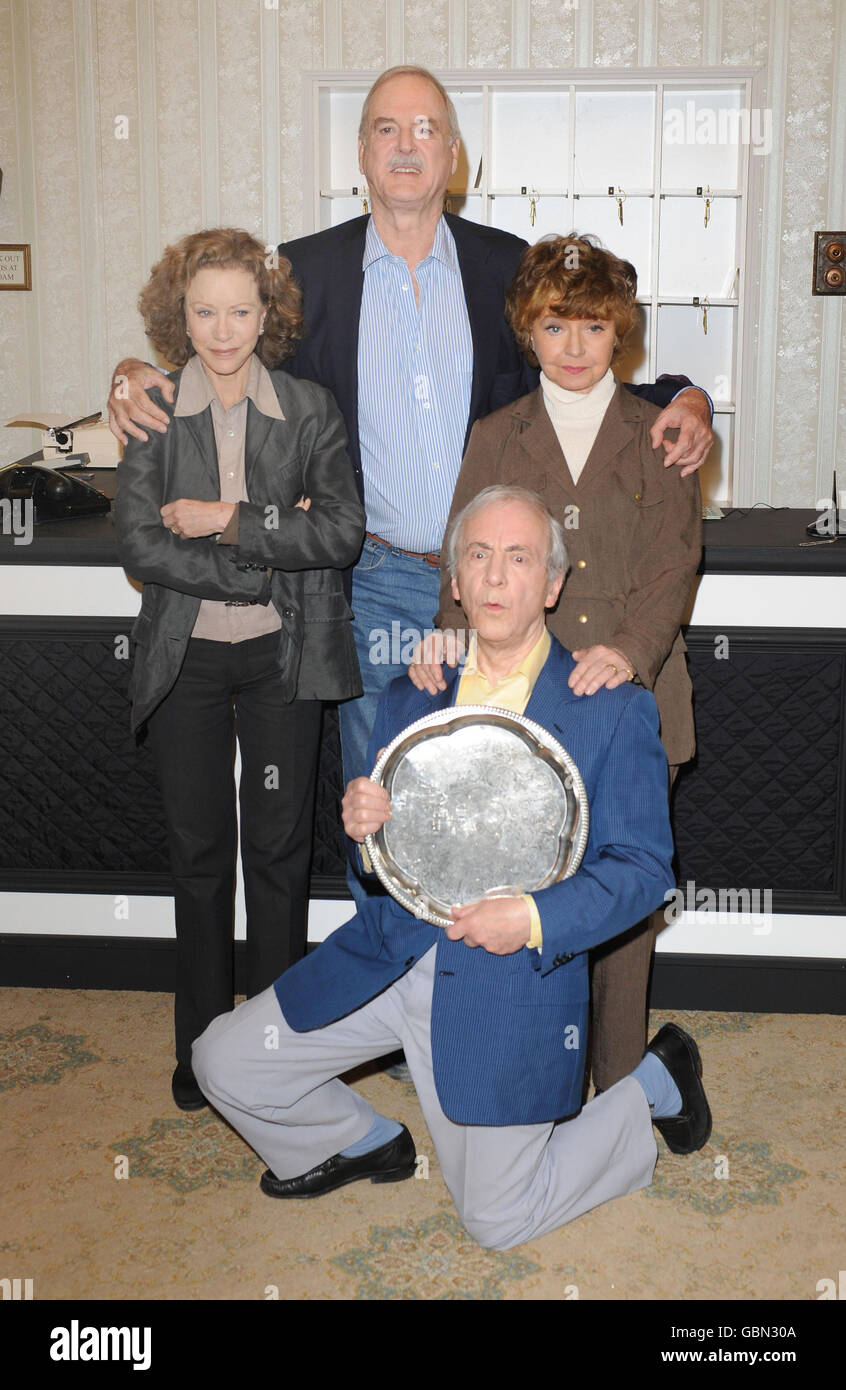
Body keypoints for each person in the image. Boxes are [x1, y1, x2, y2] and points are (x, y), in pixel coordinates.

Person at [106, 67, 714, 901]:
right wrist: (139, 372)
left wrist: (686, 394)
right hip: (369, 578)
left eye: (425, 129)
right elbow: (223, 354)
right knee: (381, 798)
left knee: (504, 791)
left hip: (499, 583)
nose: (405, 145)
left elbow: (582, 360)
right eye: (386, 129)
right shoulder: (306, 273)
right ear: (361, 151)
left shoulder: (504, 266)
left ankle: (478, 1006)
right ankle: (390, 1003)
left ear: (453, 155)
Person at [191, 487, 711, 1251]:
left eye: (520, 558)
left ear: (553, 584)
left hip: (507, 984)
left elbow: (643, 871)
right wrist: (364, 832)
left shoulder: (612, 708)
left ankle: (654, 1083)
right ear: (456, 584)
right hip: (389, 960)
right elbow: (377, 871)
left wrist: (531, 919)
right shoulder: (412, 696)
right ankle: (361, 1141)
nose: (497, 578)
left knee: (498, 1221)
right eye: (478, 557)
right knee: (222, 1061)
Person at [411, 236, 702, 1095]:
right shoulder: (498, 436)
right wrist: (446, 637)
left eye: (593, 328)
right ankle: (530, 1074)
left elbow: (673, 565)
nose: (574, 347)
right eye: (554, 326)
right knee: (523, 899)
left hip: (627, 704)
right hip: (520, 709)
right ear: (527, 334)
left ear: (622, 337)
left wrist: (631, 652)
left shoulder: (663, 436)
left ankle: (614, 1093)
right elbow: (463, 555)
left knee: (616, 915)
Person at [115, 228, 365, 1111]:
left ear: (270, 315)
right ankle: (198, 1054)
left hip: (278, 656)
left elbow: (339, 533)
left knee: (278, 851)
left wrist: (227, 519)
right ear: (177, 317)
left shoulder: (310, 408)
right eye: (204, 311)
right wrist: (265, 551)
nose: (223, 331)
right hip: (183, 658)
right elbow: (139, 543)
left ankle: (276, 1048)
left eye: (240, 311)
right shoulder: (150, 406)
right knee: (197, 854)